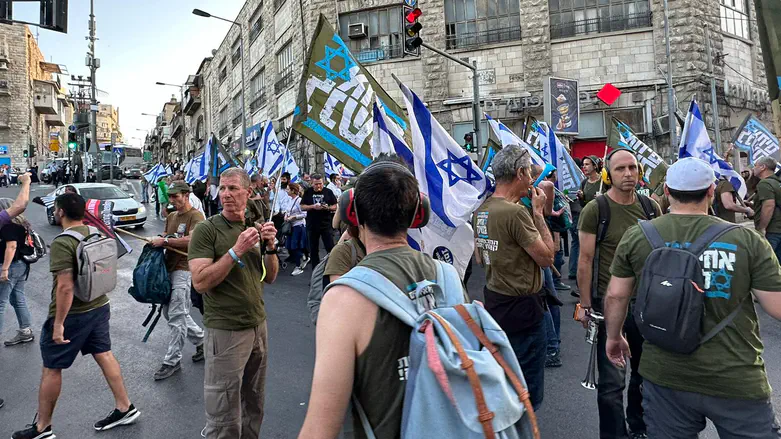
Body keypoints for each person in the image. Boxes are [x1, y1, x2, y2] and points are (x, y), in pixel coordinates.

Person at [604, 157, 781, 439]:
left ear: (667, 192)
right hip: (735, 375)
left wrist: (614, 337)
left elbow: (616, 295)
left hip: (665, 376)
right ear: (712, 191)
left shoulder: (637, 236)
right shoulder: (747, 241)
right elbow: (776, 305)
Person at [298, 156, 459, 439]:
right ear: (417, 212)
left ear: (352, 213)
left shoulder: (343, 298)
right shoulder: (449, 278)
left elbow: (320, 429)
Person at [12, 193, 139, 439]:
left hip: (74, 315)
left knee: (52, 368)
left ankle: (42, 428)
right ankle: (125, 407)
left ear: (60, 212)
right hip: (99, 305)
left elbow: (65, 287)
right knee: (104, 353)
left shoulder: (63, 242)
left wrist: (58, 324)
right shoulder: (95, 232)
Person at [188, 167, 279, 439]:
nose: (225, 194)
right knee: (223, 412)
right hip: (225, 330)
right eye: (222, 188)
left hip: (257, 326)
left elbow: (271, 276)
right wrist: (235, 251)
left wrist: (271, 245)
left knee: (254, 402)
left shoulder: (253, 227)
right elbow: (201, 282)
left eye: (233, 189)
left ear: (248, 193)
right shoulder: (207, 230)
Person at [576, 149, 661, 439]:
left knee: (644, 375)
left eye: (633, 168)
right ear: (608, 175)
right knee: (612, 384)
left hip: (646, 305)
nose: (628, 174)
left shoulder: (651, 207)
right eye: (621, 169)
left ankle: (639, 429)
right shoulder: (596, 210)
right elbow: (585, 260)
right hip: (608, 305)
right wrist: (585, 305)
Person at [473, 145, 555, 410]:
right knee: (527, 393)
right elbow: (546, 258)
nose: (532, 180)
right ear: (520, 172)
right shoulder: (515, 212)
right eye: (530, 173)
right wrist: (540, 215)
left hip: (496, 303)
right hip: (524, 310)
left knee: (505, 383)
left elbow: (478, 257)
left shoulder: (482, 209)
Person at [150, 182, 206, 380]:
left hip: (185, 269)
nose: (172, 200)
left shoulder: (196, 216)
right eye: (170, 197)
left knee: (176, 315)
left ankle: (172, 361)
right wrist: (158, 239)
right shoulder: (172, 216)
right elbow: (167, 235)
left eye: (176, 196)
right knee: (171, 312)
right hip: (168, 268)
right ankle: (202, 342)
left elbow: (193, 240)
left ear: (186, 195)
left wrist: (165, 241)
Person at [0, 198, 34, 347]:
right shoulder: (22, 224)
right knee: (17, 298)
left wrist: (4, 269)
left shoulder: (8, 225)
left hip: (11, 266)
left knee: (1, 302)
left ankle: (25, 331)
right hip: (22, 265)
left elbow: (11, 246)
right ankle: (25, 331)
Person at [300, 174, 338, 270]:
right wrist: (313, 206)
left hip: (325, 224)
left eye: (320, 184)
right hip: (312, 225)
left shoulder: (328, 192)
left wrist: (328, 208)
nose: (318, 186)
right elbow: (302, 206)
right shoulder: (308, 192)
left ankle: (332, 268)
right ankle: (315, 271)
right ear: (312, 183)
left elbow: (335, 206)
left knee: (330, 248)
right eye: (316, 184)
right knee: (313, 250)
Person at [753, 156, 781, 261]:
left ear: (763, 167)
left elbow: (769, 205)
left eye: (755, 165)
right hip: (779, 229)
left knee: (766, 261)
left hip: (771, 230)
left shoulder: (764, 183)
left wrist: (762, 228)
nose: (753, 168)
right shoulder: (777, 182)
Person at [283, 183, 308, 276]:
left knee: (295, 246)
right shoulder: (290, 200)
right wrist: (286, 216)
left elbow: (305, 214)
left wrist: (294, 217)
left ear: (293, 191)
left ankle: (299, 266)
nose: (286, 191)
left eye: (288, 189)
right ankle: (302, 256)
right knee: (288, 245)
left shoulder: (299, 200)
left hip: (298, 226)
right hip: (291, 226)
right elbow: (287, 210)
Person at [569, 157, 583, 281]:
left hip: (572, 215)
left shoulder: (570, 180)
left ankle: (572, 270)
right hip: (578, 215)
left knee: (575, 243)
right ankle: (577, 271)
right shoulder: (577, 180)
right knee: (579, 244)